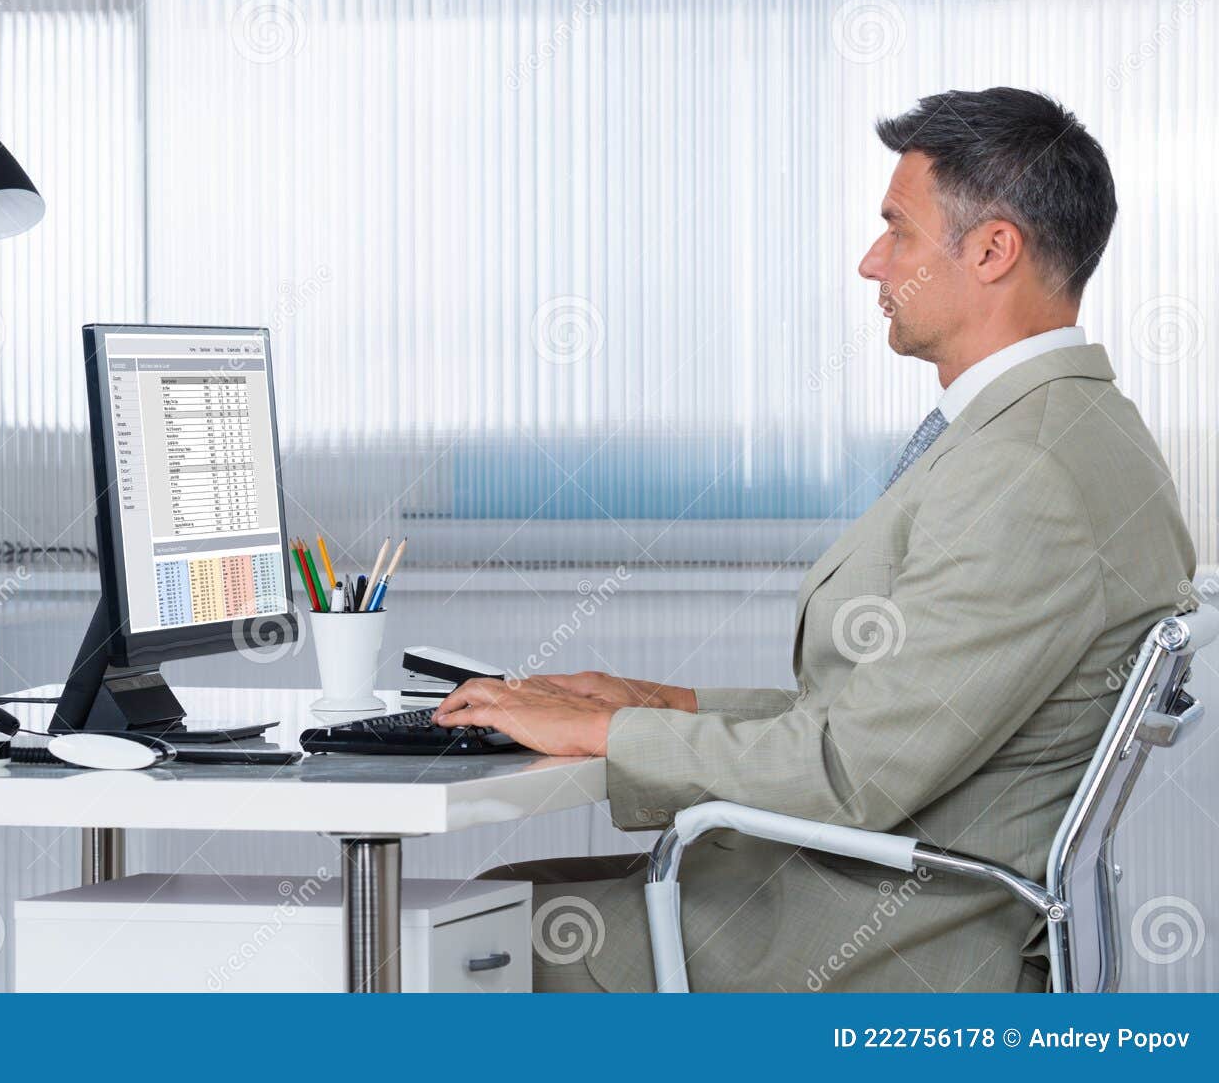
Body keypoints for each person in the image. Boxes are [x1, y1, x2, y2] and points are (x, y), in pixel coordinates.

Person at [437, 87, 1196, 992]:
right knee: (488, 904)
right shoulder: (1071, 430)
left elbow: (850, 772)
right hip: (889, 903)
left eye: (898, 230)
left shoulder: (1025, 472)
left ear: (994, 250)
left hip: (880, 947)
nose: (873, 263)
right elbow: (893, 722)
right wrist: (662, 700)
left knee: (455, 940)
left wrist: (606, 730)